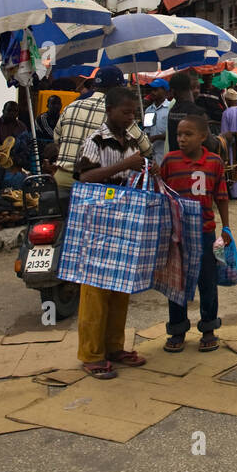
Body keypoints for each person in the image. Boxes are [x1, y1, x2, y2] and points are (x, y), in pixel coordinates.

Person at [72, 86, 154, 378]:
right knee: (95, 289)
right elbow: (85, 177)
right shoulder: (95, 141)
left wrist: (145, 170)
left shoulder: (131, 141)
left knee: (120, 287)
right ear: (110, 111)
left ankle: (115, 347)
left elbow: (134, 172)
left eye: (133, 112)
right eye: (126, 112)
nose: (130, 117)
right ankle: (92, 354)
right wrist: (125, 165)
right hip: (97, 224)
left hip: (123, 222)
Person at [159, 114, 230, 353]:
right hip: (177, 234)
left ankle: (208, 328)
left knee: (207, 281)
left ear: (202, 137)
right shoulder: (169, 161)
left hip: (205, 232)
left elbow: (221, 197)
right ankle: (177, 329)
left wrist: (226, 227)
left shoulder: (214, 162)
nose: (181, 139)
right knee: (176, 283)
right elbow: (162, 195)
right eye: (179, 134)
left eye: (187, 134)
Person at [53, 67, 128, 190]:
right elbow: (144, 148)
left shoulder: (71, 107)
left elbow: (57, 139)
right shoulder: (118, 113)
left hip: (62, 180)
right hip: (94, 186)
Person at [166, 72, 207, 156]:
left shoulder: (172, 110)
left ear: (173, 91)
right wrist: (225, 137)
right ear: (190, 87)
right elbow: (211, 144)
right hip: (194, 165)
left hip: (175, 162)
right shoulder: (197, 112)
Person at [143, 78, 171, 161]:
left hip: (166, 154)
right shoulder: (148, 110)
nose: (152, 92)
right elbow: (147, 130)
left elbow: (173, 133)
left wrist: (156, 137)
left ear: (165, 91)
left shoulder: (171, 108)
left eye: (155, 90)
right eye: (151, 90)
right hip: (152, 155)